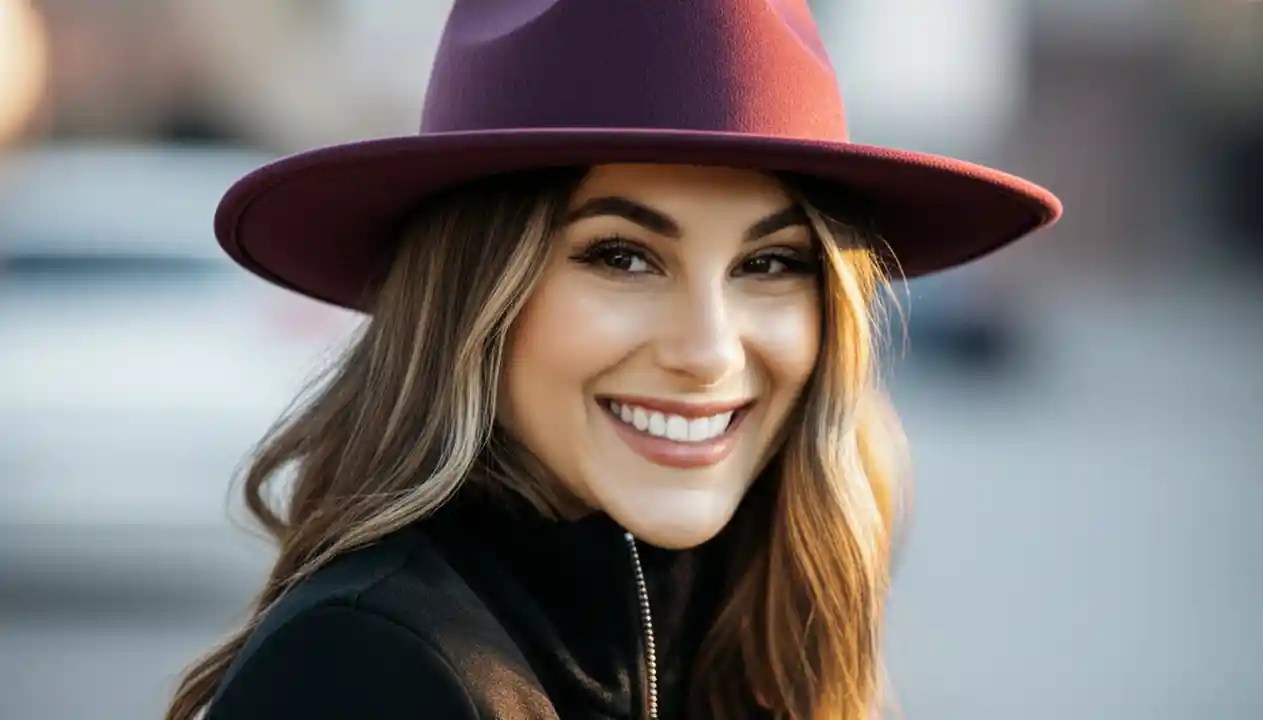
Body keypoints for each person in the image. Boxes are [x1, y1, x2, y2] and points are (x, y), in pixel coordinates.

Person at [166, 1, 1061, 718]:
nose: (709, 352)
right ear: (475, 296)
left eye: (770, 263)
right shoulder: (371, 672)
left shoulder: (741, 630)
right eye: (624, 256)